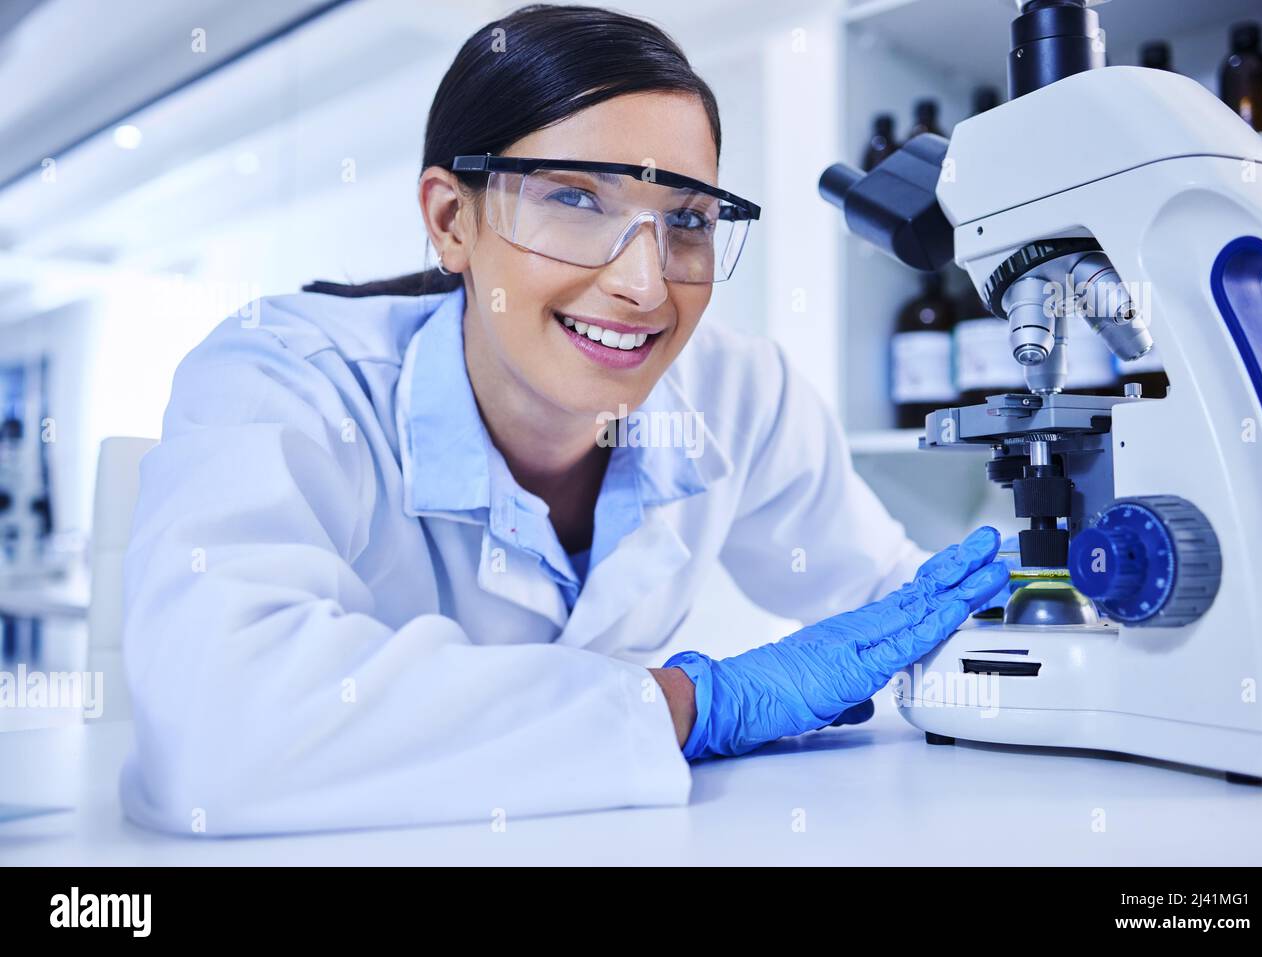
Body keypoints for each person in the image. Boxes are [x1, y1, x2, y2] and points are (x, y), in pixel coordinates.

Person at [119, 3, 1007, 836]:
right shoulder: (284, 379)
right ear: (450, 219)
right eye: (576, 201)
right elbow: (216, 729)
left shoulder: (740, 396)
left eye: (688, 220)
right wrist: (689, 705)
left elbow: (897, 612)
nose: (644, 285)